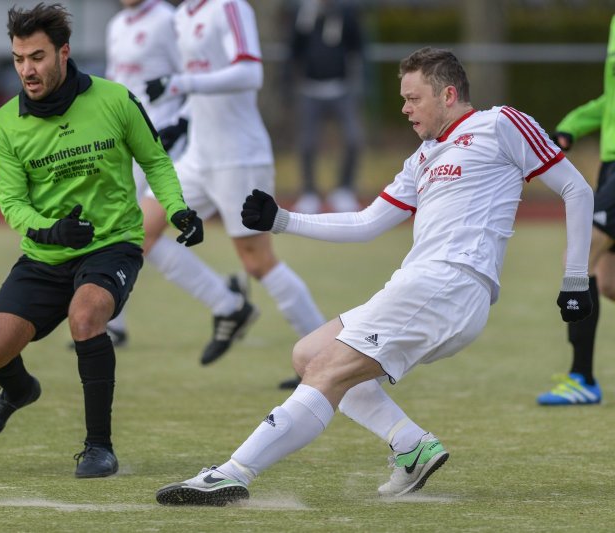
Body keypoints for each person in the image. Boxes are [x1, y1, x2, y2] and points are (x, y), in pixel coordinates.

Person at [155, 47, 594, 505]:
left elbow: (575, 189)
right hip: (421, 282)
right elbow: (367, 223)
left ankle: (233, 472)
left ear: (448, 94)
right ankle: (411, 446)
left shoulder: (500, 123)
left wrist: (575, 280)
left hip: (451, 283)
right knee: (308, 354)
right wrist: (282, 220)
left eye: (413, 97)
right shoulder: (422, 157)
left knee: (326, 370)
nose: (404, 108)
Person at [0, 2, 204, 479]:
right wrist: (48, 231)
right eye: (18, 59)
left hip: (112, 243)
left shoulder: (115, 99)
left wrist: (177, 208)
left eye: (37, 57)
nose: (27, 70)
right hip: (45, 253)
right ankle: (18, 391)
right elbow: (12, 203)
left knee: (86, 315)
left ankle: (99, 447)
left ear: (64, 52)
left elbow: (156, 161)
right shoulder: (4, 127)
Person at [142, 0, 326, 384]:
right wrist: (182, 120)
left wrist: (179, 84)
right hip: (197, 157)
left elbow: (249, 72)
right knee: (138, 229)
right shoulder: (181, 16)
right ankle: (227, 305)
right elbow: (202, 79)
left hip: (238, 158)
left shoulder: (229, 6)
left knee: (258, 262)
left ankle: (326, 359)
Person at [103, 0, 256, 358]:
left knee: (132, 230)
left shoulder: (169, 20)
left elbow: (193, 78)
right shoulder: (116, 25)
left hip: (160, 141)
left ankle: (112, 323)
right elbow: (114, 84)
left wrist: (180, 125)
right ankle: (224, 300)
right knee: (127, 229)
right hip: (120, 140)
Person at [537, 14, 615, 406]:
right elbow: (611, 99)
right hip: (610, 167)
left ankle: (581, 377)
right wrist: (573, 125)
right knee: (608, 282)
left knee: (579, 256)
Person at [288, 0, 365, 215]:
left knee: (353, 138)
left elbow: (357, 48)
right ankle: (309, 192)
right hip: (310, 89)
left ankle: (344, 190)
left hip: (342, 89)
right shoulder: (303, 15)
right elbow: (294, 50)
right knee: (307, 143)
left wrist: (355, 84)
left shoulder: (347, 13)